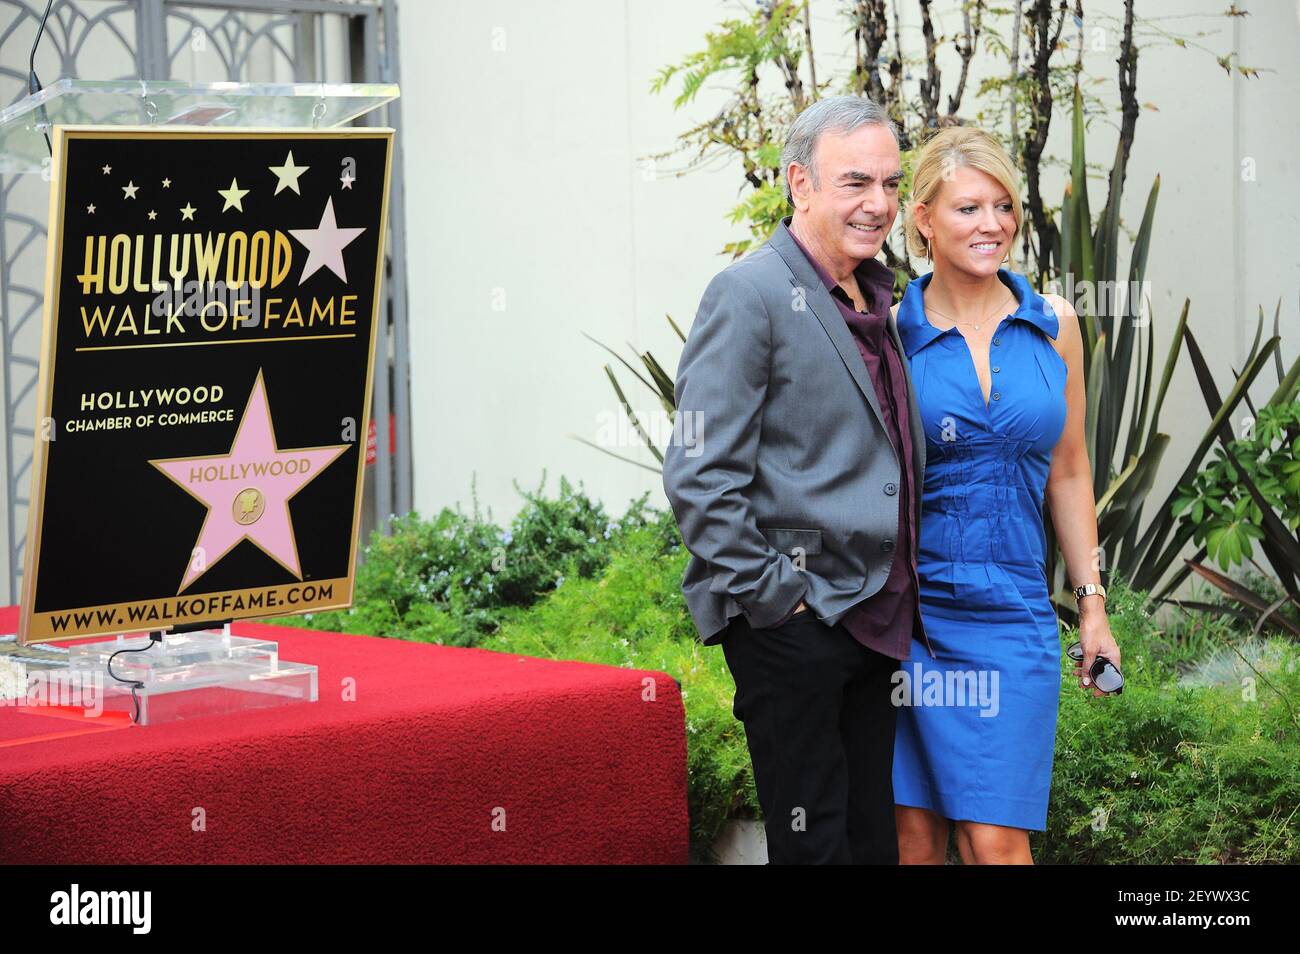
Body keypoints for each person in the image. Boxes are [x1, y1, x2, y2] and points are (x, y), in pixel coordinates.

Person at [662, 95, 931, 864]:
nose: (877, 203)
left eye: (888, 183)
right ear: (800, 185)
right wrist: (780, 600)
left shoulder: (880, 296)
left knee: (870, 842)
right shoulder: (747, 295)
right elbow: (697, 472)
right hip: (796, 625)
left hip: (876, 619)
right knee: (816, 846)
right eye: (854, 183)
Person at [889, 126, 1121, 865]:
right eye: (967, 208)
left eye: (1003, 206)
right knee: (915, 841)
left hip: (1012, 614)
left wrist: (1092, 606)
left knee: (994, 841)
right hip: (909, 618)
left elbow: (1071, 470)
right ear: (923, 218)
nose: (991, 225)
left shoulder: (1054, 325)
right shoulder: (891, 330)